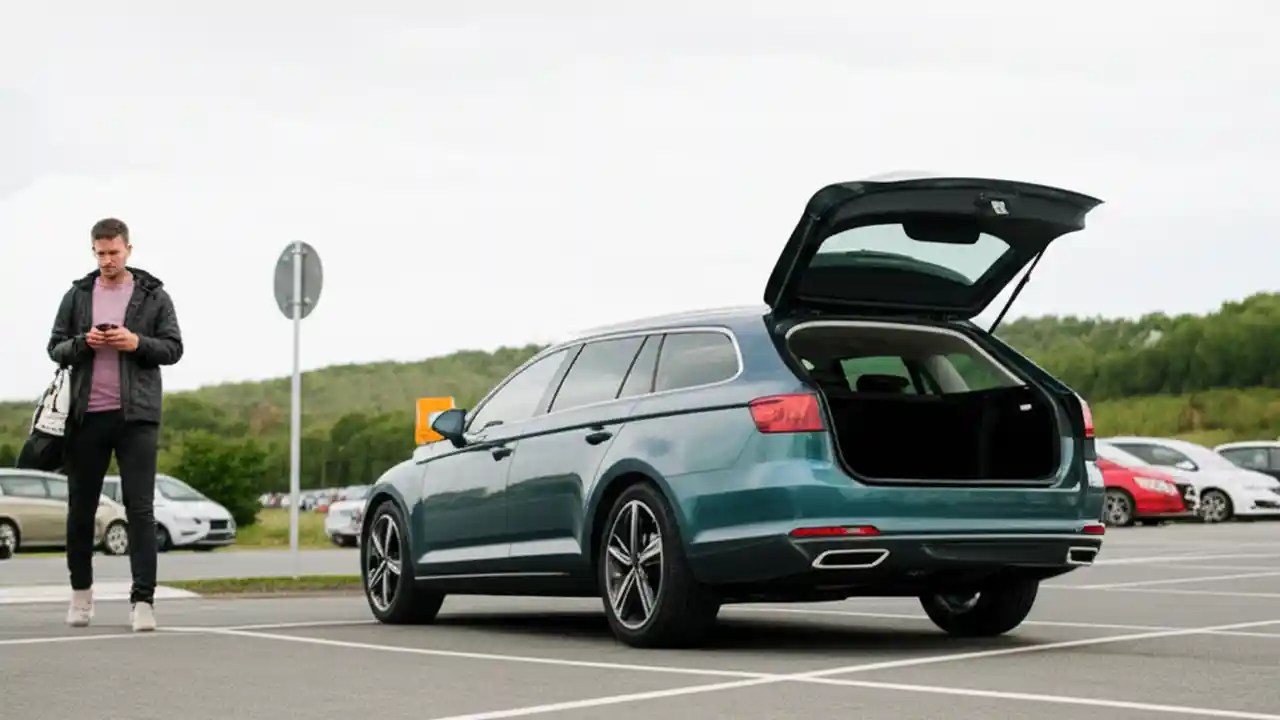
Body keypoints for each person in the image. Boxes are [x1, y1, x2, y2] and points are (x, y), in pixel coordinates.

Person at [47, 218, 183, 632]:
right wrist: (83, 343)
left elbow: (174, 348)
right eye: (100, 253)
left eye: (114, 252)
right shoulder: (77, 295)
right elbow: (55, 347)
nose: (107, 260)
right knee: (81, 510)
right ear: (93, 251)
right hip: (86, 417)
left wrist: (135, 343)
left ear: (128, 249)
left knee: (140, 510)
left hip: (136, 418)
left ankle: (143, 602)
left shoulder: (153, 296)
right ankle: (81, 596)